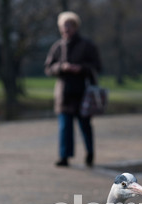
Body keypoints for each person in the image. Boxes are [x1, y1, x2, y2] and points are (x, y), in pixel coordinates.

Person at [44, 11, 102, 167]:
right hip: (63, 95)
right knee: (65, 128)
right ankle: (64, 157)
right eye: (64, 27)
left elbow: (97, 66)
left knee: (85, 127)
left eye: (69, 26)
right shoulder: (57, 47)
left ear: (76, 27)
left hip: (83, 93)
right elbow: (48, 68)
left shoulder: (87, 45)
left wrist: (81, 68)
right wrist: (61, 67)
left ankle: (90, 154)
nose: (66, 30)